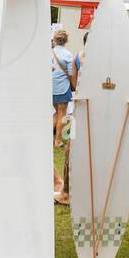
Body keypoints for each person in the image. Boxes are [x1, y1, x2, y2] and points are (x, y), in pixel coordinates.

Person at [52, 28, 78, 204]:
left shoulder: (50, 52)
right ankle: (58, 140)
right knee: (62, 114)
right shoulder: (68, 54)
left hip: (51, 87)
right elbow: (71, 74)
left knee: (55, 112)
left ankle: (51, 136)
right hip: (62, 88)